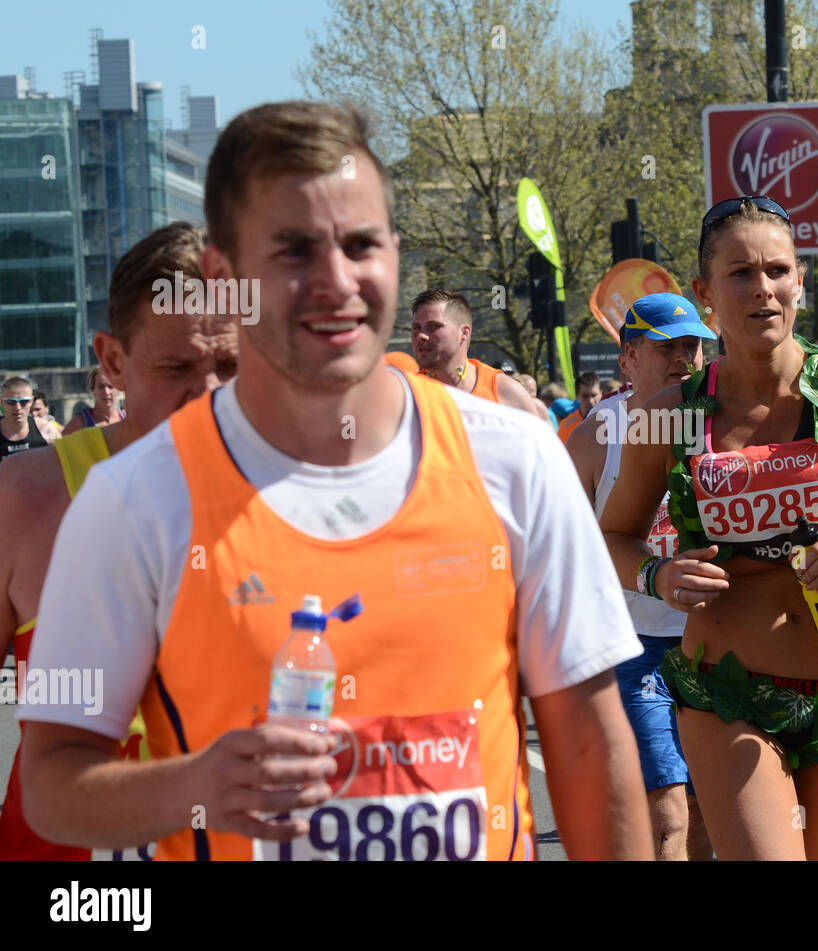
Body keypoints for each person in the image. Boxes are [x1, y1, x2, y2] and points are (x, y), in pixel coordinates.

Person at [19, 99, 653, 861]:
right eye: (293, 251)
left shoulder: (516, 461)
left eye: (361, 243)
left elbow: (589, 745)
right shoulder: (132, 500)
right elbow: (52, 780)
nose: (337, 282)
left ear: (394, 247)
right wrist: (196, 785)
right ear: (225, 276)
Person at [600, 197, 818, 860]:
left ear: (800, 281)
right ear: (706, 292)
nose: (762, 289)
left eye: (777, 270)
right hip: (728, 691)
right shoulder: (667, 415)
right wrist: (658, 573)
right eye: (740, 273)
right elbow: (610, 538)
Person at [0, 221, 238, 860]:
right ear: (112, 362)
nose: (209, 395)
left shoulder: (306, 492)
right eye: (178, 367)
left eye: (232, 366)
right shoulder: (28, 496)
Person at [567, 292, 715, 861]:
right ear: (627, 360)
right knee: (667, 814)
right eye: (666, 348)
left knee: (704, 811)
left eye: (692, 347)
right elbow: (566, 547)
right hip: (632, 648)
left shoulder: (720, 422)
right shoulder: (594, 436)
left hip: (715, 641)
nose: (684, 359)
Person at [408, 288, 548, 420]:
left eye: (434, 326)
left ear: (464, 333)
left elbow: (538, 445)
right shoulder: (407, 395)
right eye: (416, 328)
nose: (421, 335)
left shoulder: (506, 392)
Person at [1, 378, 52, 462]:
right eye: (11, 402)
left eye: (23, 402)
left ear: (31, 401)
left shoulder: (45, 429)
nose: (17, 407)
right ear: (1, 402)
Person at [61, 366, 124, 434]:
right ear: (92, 390)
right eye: (101, 387)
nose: (106, 392)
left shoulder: (127, 419)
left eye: (110, 386)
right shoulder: (80, 423)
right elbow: (59, 444)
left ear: (118, 389)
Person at [556, 371, 602, 444]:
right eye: (585, 396)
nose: (590, 401)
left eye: (594, 395)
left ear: (601, 393)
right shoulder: (566, 426)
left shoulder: (611, 419)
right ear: (577, 396)